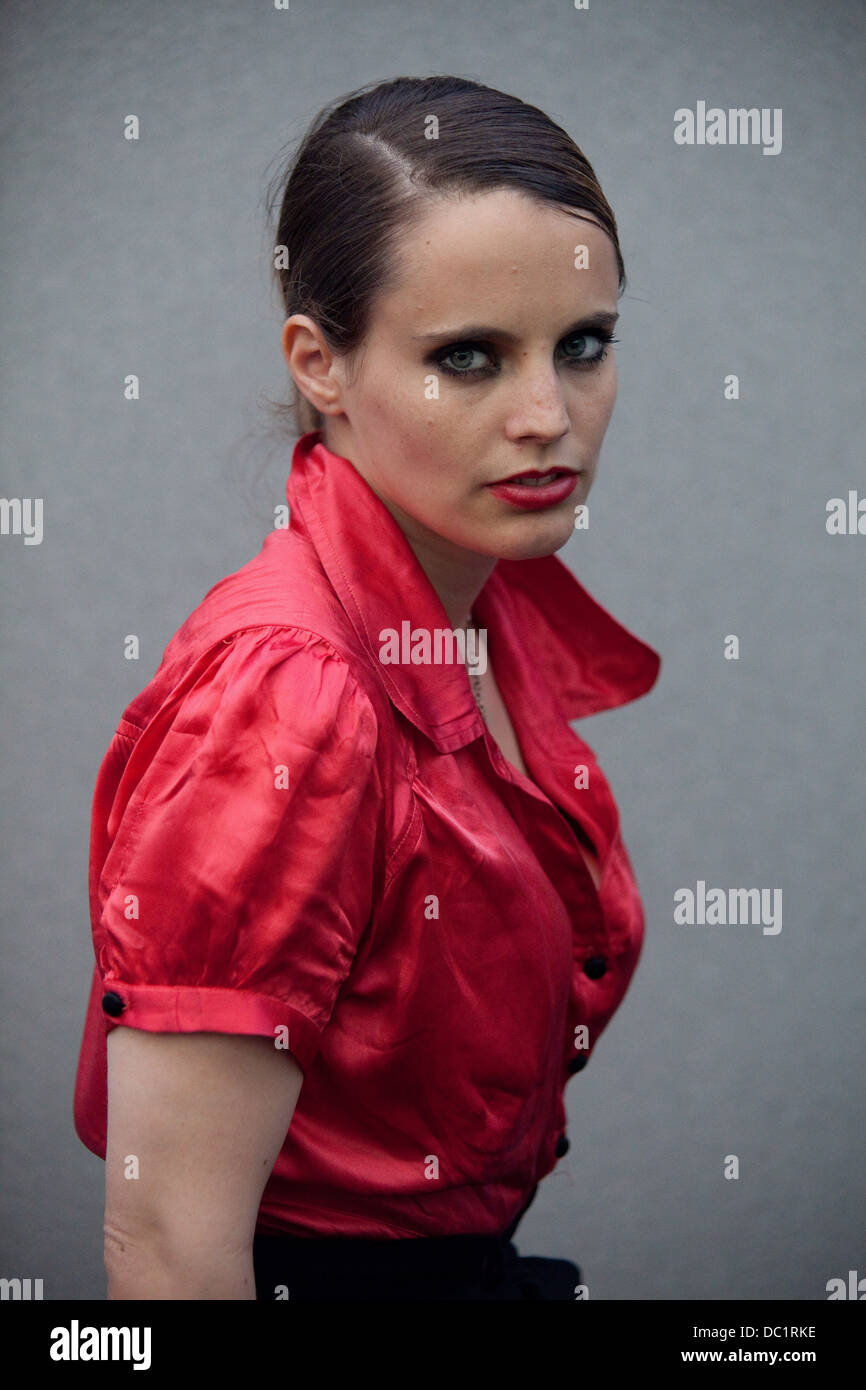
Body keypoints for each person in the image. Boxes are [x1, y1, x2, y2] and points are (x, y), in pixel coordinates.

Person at [73, 74, 661, 1301]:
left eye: (583, 344)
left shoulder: (476, 610)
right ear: (320, 364)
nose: (547, 415)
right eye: (468, 358)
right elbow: (169, 1250)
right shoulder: (292, 694)